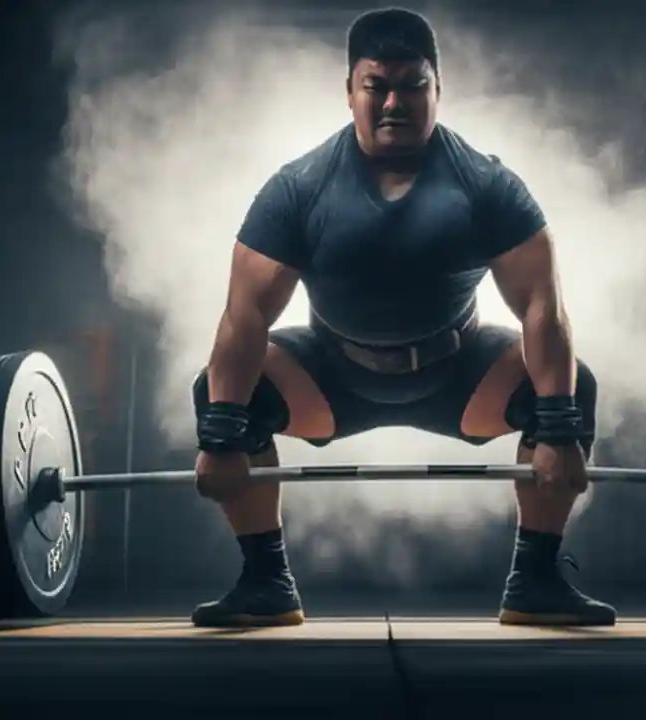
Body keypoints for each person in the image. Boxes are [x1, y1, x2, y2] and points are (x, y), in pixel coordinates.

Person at [190, 7, 616, 627]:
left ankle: (536, 582)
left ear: (438, 89)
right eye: (377, 86)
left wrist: (557, 430)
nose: (395, 102)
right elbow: (245, 316)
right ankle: (265, 582)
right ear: (350, 91)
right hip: (331, 380)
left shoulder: (487, 184)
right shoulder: (298, 187)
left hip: (459, 377)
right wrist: (223, 436)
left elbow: (541, 307)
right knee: (221, 393)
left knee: (571, 390)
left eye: (413, 85)